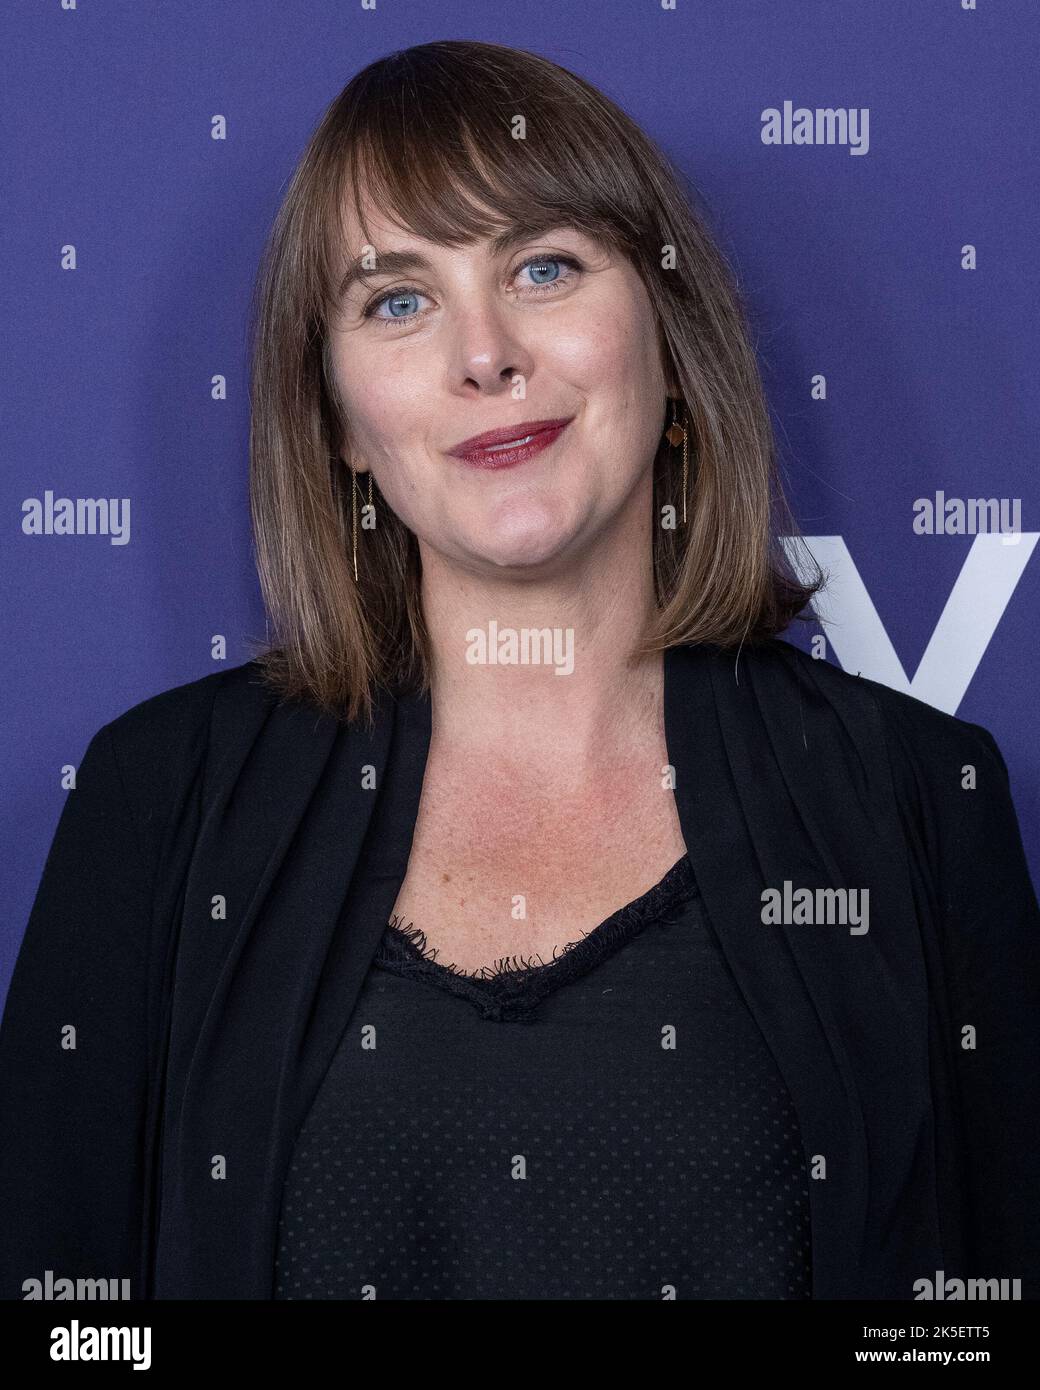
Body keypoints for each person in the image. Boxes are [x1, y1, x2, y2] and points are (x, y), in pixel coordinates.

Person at [1, 39, 1038, 1303]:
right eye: (397, 298)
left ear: (665, 337)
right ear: (336, 421)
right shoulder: (157, 798)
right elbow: (63, 1330)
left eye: (542, 267)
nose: (483, 354)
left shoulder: (916, 795)